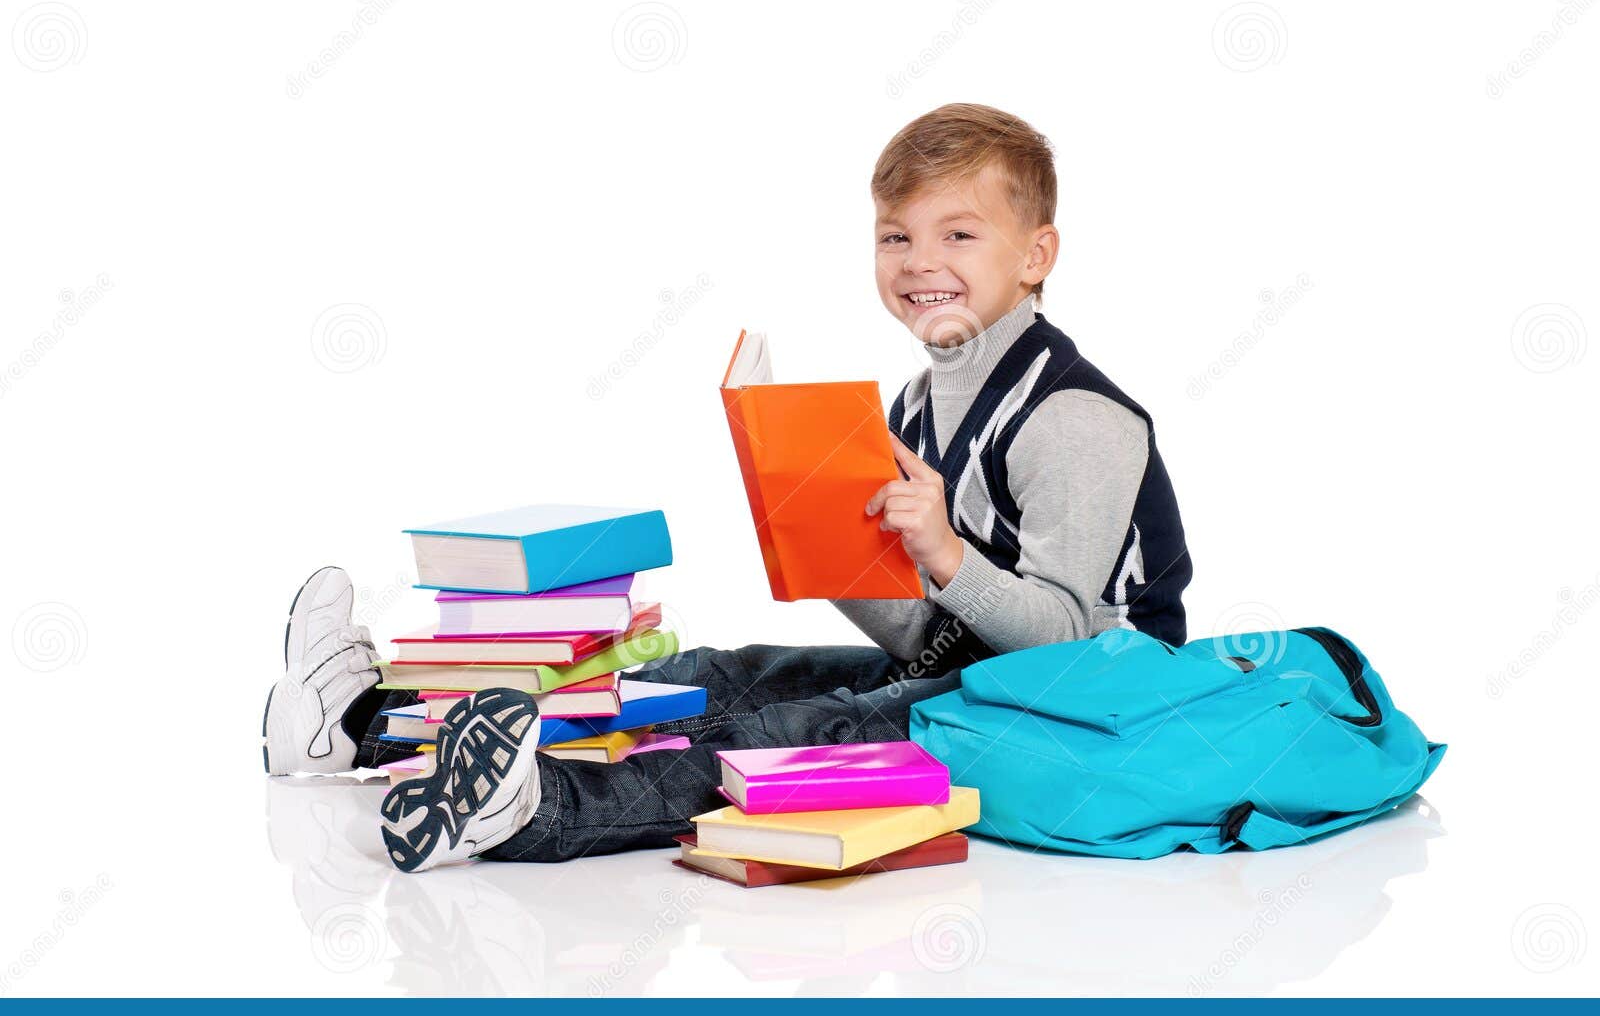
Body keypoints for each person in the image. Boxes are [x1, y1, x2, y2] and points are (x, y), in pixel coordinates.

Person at [261, 103, 1193, 872]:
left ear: (1035, 255)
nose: (918, 261)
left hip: (1080, 711)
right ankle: (367, 726)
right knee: (714, 675)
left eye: (959, 233)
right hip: (972, 673)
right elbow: (926, 634)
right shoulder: (919, 403)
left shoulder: (1075, 419)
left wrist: (944, 553)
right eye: (895, 235)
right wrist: (821, 542)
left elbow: (1067, 642)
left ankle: (529, 808)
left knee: (801, 729)